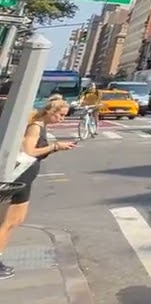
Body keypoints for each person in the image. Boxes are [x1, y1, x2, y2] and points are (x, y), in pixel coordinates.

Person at [1, 98, 76, 280]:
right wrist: (55, 146)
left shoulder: (40, 125)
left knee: (16, 220)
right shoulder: (35, 126)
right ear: (50, 111)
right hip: (22, 175)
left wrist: (55, 148)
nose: (62, 119)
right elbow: (29, 151)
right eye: (61, 115)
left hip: (26, 177)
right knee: (9, 222)